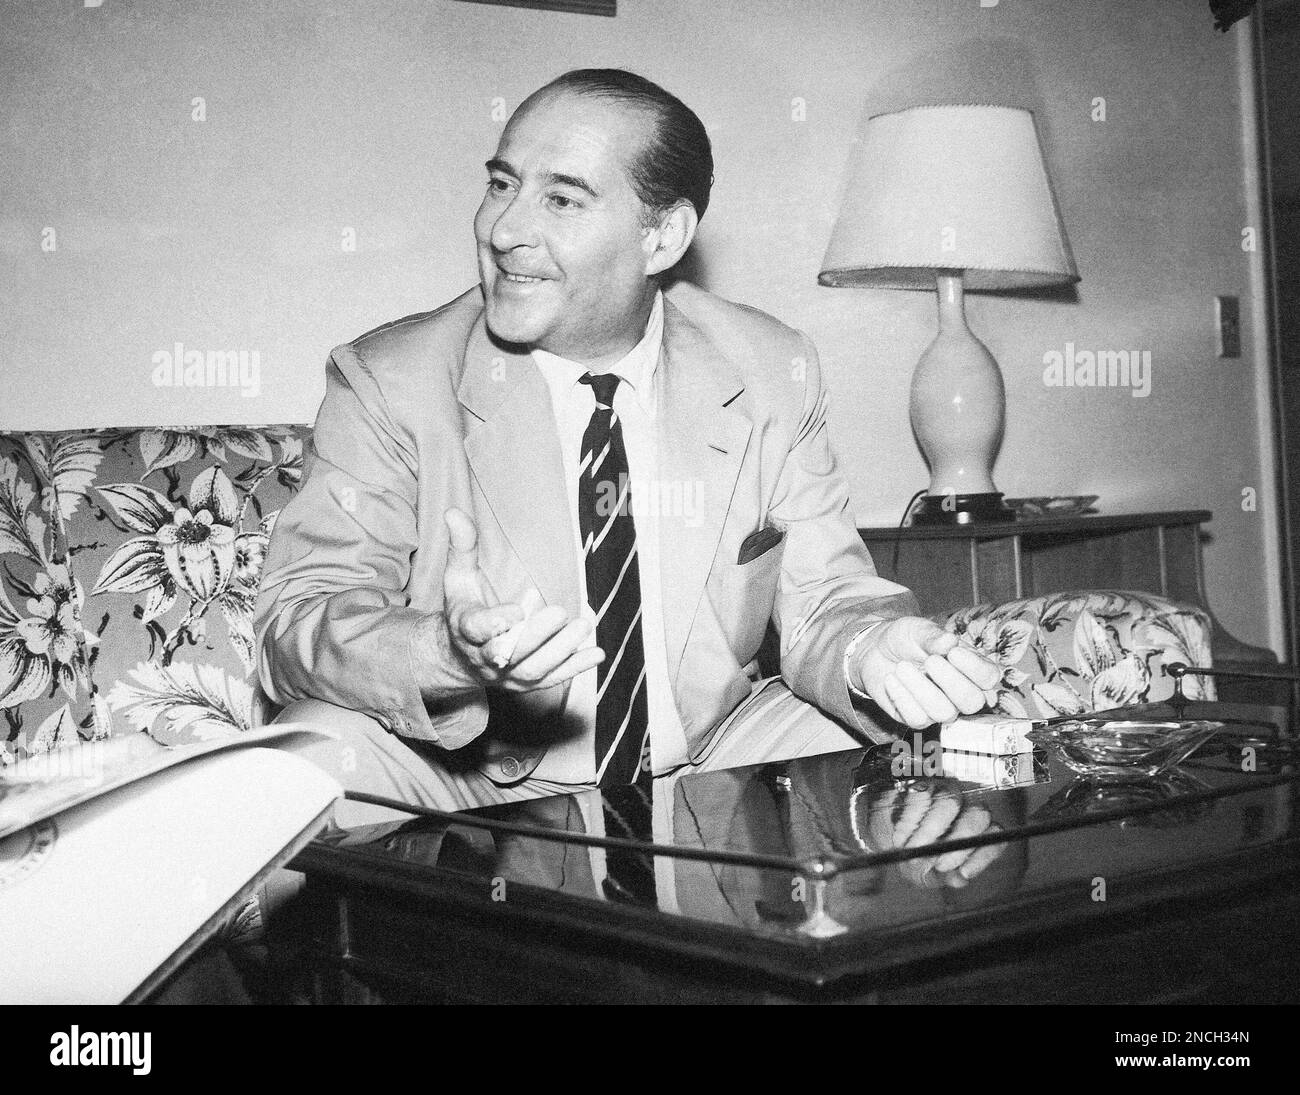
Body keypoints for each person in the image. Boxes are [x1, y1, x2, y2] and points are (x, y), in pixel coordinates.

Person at [253, 68, 1002, 825]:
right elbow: (296, 618)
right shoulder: (392, 379)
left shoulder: (772, 369)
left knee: (925, 747)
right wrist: (447, 654)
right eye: (502, 185)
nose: (504, 229)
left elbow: (827, 600)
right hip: (473, 777)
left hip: (715, 754)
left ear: (662, 236)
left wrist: (870, 649)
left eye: (562, 199)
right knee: (310, 756)